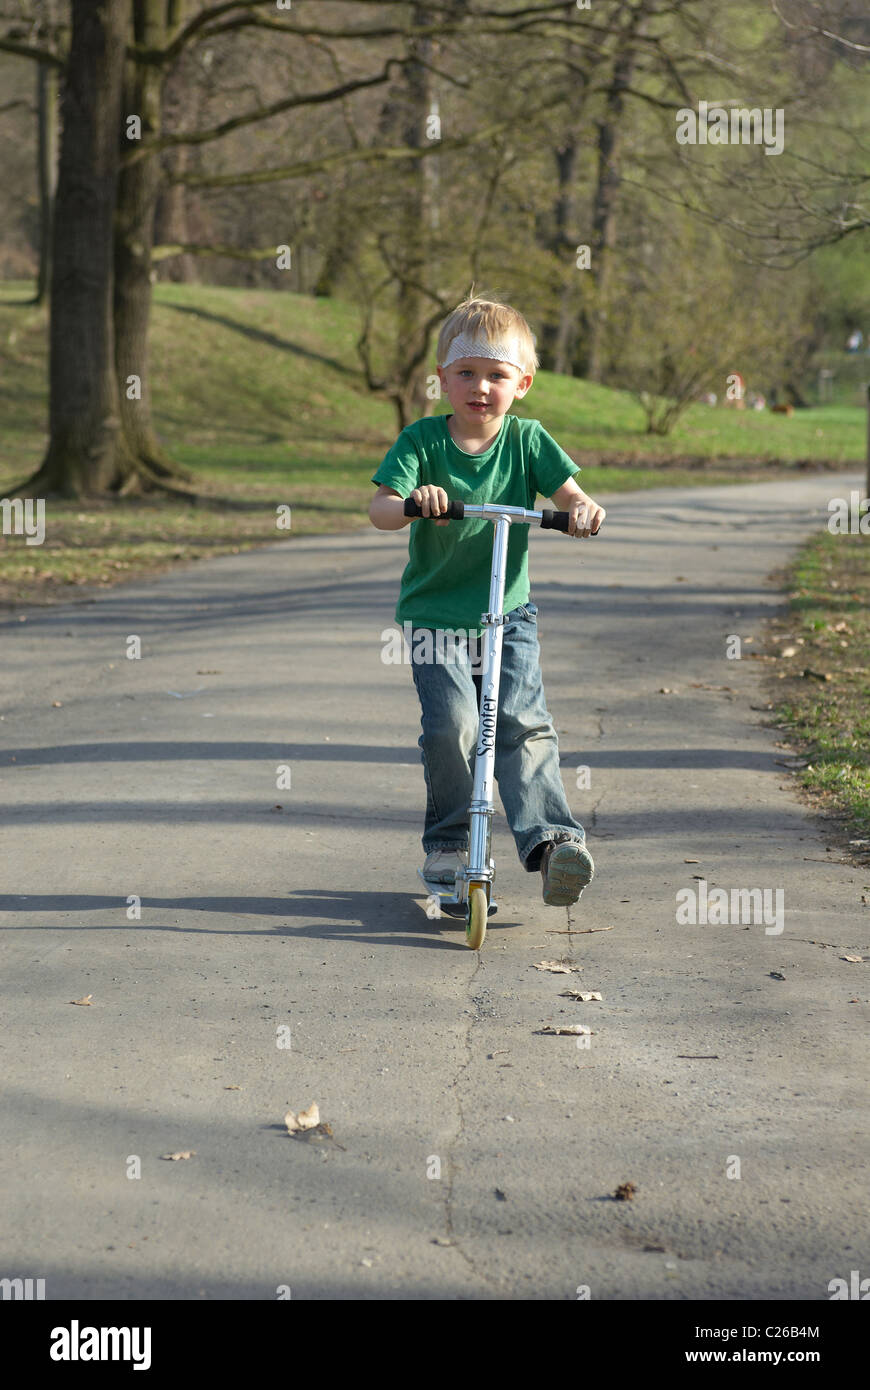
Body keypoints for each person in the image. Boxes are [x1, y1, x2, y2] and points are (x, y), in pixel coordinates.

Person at [369, 295, 605, 906]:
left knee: (523, 726)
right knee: (453, 727)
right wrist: (414, 503)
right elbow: (380, 511)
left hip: (511, 616)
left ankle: (552, 843)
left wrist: (579, 508)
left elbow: (571, 494)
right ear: (442, 379)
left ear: (522, 383)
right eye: (466, 373)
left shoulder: (528, 442)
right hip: (435, 618)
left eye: (497, 375)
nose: (480, 387)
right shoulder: (421, 441)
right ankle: (449, 846)